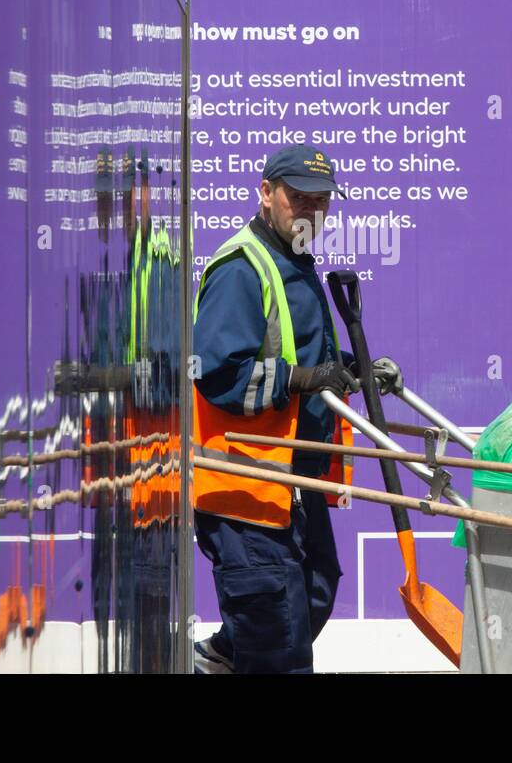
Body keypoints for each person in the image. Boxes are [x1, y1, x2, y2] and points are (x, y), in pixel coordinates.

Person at [191, 143, 399, 673]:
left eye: (321, 202)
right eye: (298, 197)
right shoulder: (242, 268)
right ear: (267, 194)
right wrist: (305, 379)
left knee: (315, 589)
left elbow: (304, 355)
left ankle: (224, 658)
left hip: (294, 483)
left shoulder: (297, 263)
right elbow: (218, 374)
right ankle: (241, 656)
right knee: (281, 641)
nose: (310, 211)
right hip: (247, 487)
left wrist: (358, 368)